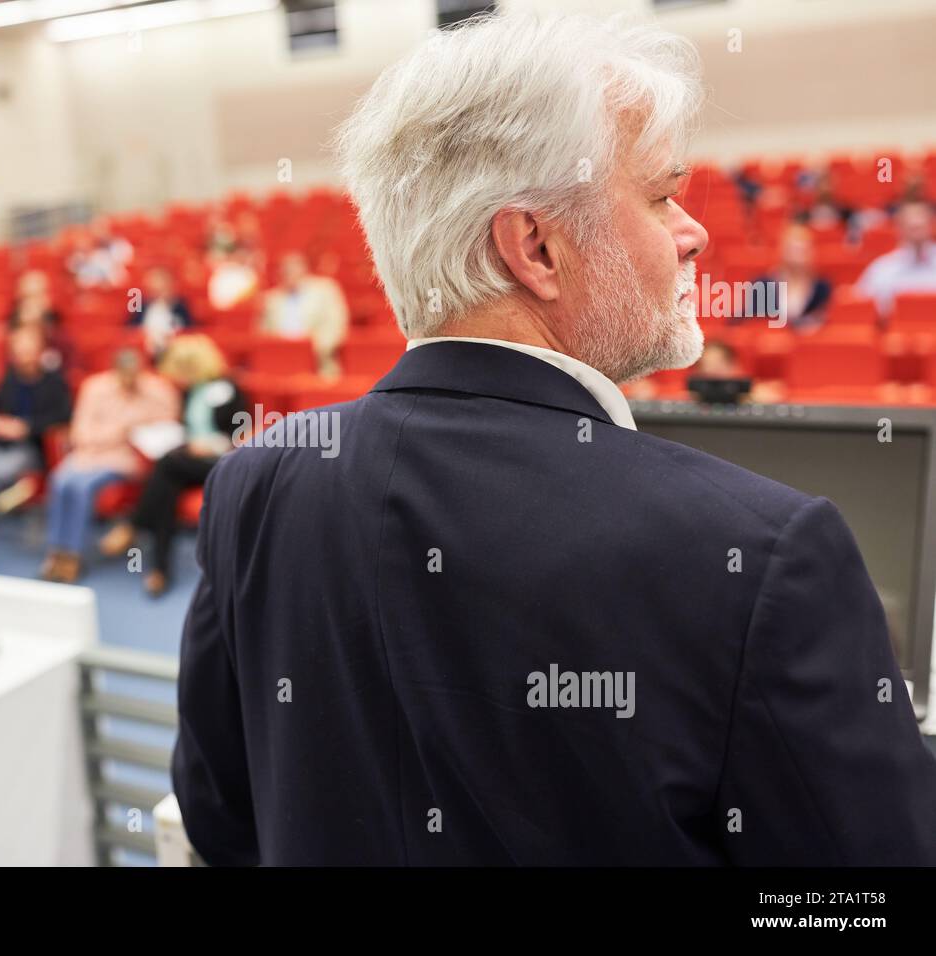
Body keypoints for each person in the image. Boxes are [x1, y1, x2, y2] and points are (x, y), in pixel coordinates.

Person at [172, 10, 936, 866]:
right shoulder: (764, 557)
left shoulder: (256, 480)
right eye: (660, 196)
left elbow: (219, 818)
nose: (695, 231)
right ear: (535, 247)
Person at [98, 334, 245, 597]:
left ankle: (135, 525)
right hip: (189, 462)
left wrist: (208, 445)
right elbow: (190, 430)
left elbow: (237, 436)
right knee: (167, 485)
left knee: (167, 465)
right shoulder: (192, 392)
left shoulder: (229, 389)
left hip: (222, 462)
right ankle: (160, 570)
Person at [41, 348, 180, 583]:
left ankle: (73, 555)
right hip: (87, 453)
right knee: (60, 481)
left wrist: (124, 433)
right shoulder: (94, 388)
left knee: (83, 487)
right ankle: (57, 551)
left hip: (123, 459)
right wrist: (117, 432)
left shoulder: (155, 390)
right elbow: (80, 433)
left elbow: (168, 424)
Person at [0, 325, 71, 571]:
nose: (23, 356)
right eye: (18, 351)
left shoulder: (53, 381)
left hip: (28, 450)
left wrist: (25, 427)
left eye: (28, 351)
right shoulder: (10, 378)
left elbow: (62, 417)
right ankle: (3, 483)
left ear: (39, 352)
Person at [260, 251, 350, 377]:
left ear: (304, 269)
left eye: (293, 269)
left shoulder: (326, 289)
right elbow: (263, 334)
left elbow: (336, 325)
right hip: (281, 365)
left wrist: (306, 352)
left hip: (318, 363)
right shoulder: (272, 299)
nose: (289, 273)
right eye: (286, 270)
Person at [739, 225, 832, 331]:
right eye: (793, 249)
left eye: (803, 250)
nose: (798, 256)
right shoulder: (762, 285)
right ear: (782, 250)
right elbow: (752, 321)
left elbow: (823, 323)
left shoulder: (822, 288)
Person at [855, 200, 936, 316]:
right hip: (895, 332)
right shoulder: (881, 268)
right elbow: (861, 307)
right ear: (899, 228)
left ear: (931, 225)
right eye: (911, 227)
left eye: (921, 225)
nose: (916, 228)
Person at [126, 267, 193, 359]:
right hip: (145, 350)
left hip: (175, 350)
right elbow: (131, 330)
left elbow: (189, 330)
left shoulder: (180, 306)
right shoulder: (141, 306)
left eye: (162, 287)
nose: (158, 291)